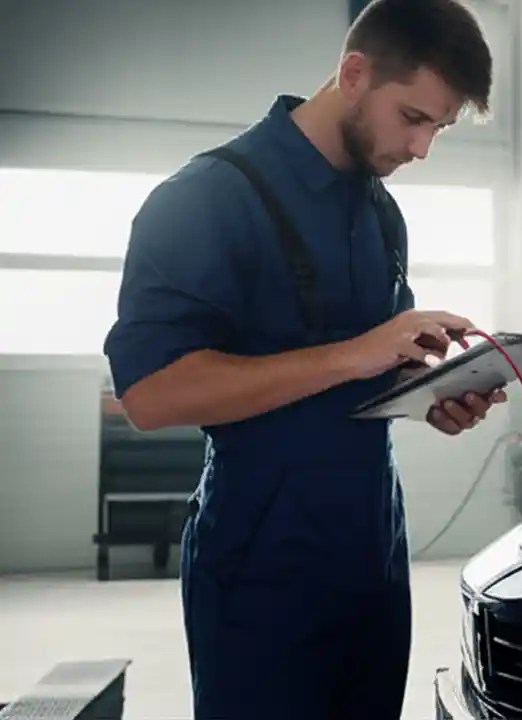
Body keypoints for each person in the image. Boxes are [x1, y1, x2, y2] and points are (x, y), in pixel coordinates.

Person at [102, 1, 499, 717]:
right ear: (353, 73)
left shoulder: (380, 212)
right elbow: (150, 396)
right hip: (261, 565)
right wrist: (356, 354)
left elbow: (371, 365)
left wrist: (430, 390)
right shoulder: (206, 198)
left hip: (372, 549)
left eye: (437, 129)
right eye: (413, 118)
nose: (421, 149)